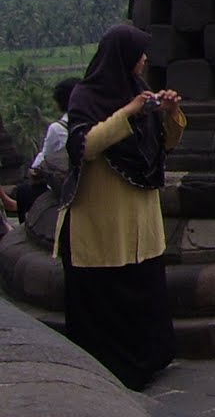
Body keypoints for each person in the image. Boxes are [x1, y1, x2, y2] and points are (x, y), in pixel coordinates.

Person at [55, 24, 184, 390]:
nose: (144, 59)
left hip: (139, 215)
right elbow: (84, 146)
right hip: (102, 217)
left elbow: (164, 146)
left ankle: (148, 360)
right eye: (139, 53)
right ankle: (111, 368)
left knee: (142, 287)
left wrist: (170, 113)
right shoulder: (87, 96)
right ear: (121, 56)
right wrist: (128, 112)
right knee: (106, 296)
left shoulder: (139, 90)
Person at [14, 77, 76, 220]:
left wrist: (34, 170)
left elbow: (44, 156)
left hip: (65, 184)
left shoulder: (57, 128)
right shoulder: (93, 121)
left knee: (23, 192)